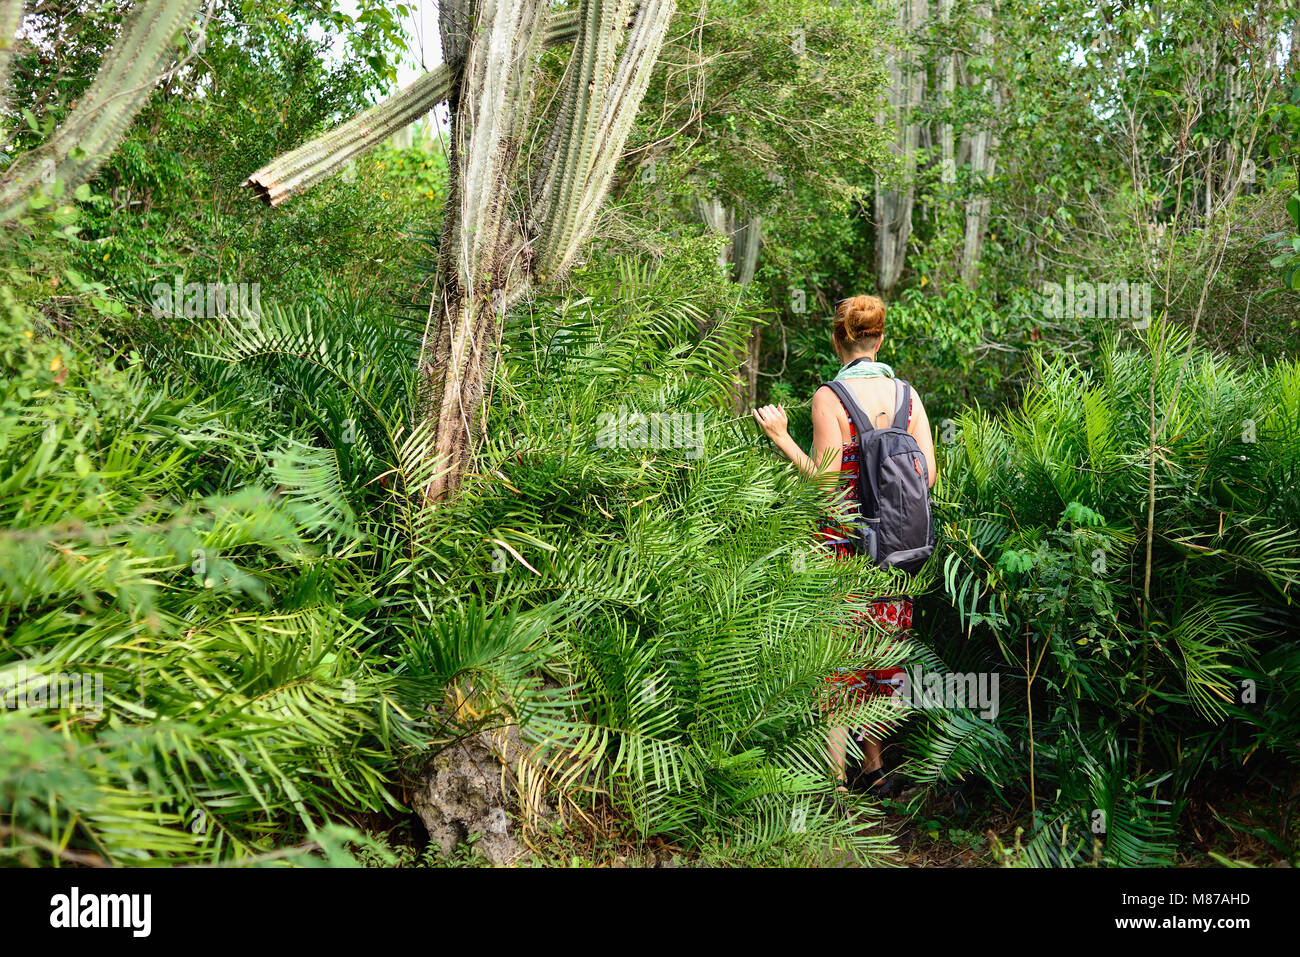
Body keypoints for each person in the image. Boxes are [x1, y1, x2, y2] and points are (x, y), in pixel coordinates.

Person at [752, 294, 937, 795]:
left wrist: (782, 437)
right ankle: (876, 768)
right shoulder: (908, 396)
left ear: (838, 340)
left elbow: (828, 485)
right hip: (897, 549)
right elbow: (929, 477)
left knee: (835, 658)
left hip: (844, 550)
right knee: (881, 652)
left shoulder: (828, 398)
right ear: (880, 340)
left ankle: (836, 781)